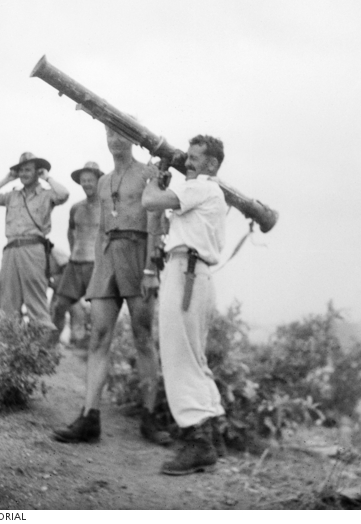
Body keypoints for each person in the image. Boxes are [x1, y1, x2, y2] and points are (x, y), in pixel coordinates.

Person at [52, 127, 170, 446]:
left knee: (143, 337)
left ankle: (149, 417)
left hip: (138, 251)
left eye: (121, 134)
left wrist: (150, 268)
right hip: (106, 258)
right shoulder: (103, 182)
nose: (115, 140)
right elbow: (103, 227)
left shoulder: (147, 173)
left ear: (131, 139)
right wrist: (99, 267)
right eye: (110, 133)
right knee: (98, 337)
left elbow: (156, 218)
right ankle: (90, 416)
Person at [141, 134, 227, 475]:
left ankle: (198, 442)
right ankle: (211, 433)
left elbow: (150, 202)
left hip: (187, 275)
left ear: (211, 164)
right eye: (187, 157)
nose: (186, 162)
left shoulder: (200, 187)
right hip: (195, 274)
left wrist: (152, 179)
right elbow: (167, 217)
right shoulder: (206, 192)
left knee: (179, 358)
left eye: (194, 158)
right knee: (195, 357)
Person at [0, 152, 69, 329]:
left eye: (28, 170)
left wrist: (47, 178)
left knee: (36, 301)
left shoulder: (46, 194)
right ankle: (12, 350)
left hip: (33, 248)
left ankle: (41, 351)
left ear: (37, 172)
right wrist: (6, 179)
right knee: (8, 303)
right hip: (11, 249)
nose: (23, 174)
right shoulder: (12, 196)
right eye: (20, 171)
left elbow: (64, 194)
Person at [50, 161, 103, 347]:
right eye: (84, 180)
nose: (87, 184)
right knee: (59, 306)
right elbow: (70, 231)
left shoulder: (106, 206)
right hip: (75, 264)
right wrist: (74, 251)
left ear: (98, 181)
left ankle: (93, 349)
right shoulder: (76, 208)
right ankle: (50, 349)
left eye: (90, 180)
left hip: (96, 265)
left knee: (99, 311)